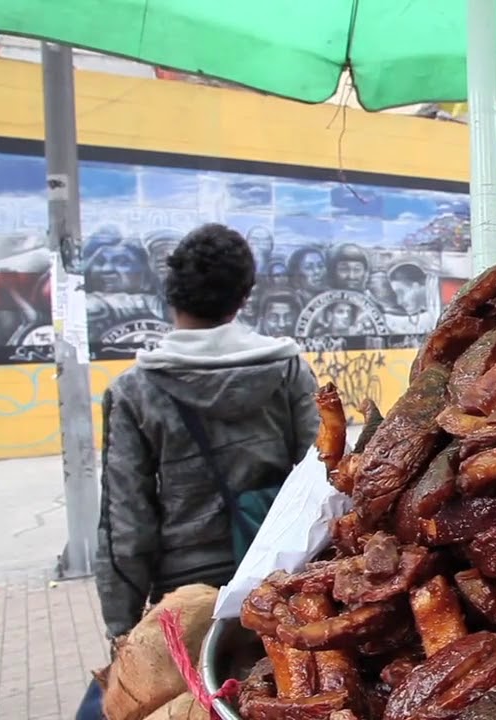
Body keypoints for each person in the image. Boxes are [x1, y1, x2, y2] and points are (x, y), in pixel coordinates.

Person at [86, 224, 319, 716]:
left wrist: (122, 629)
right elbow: (320, 478)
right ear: (244, 294)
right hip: (271, 590)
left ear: (171, 294)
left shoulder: (135, 391)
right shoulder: (287, 371)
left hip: (182, 605)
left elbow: (126, 525)